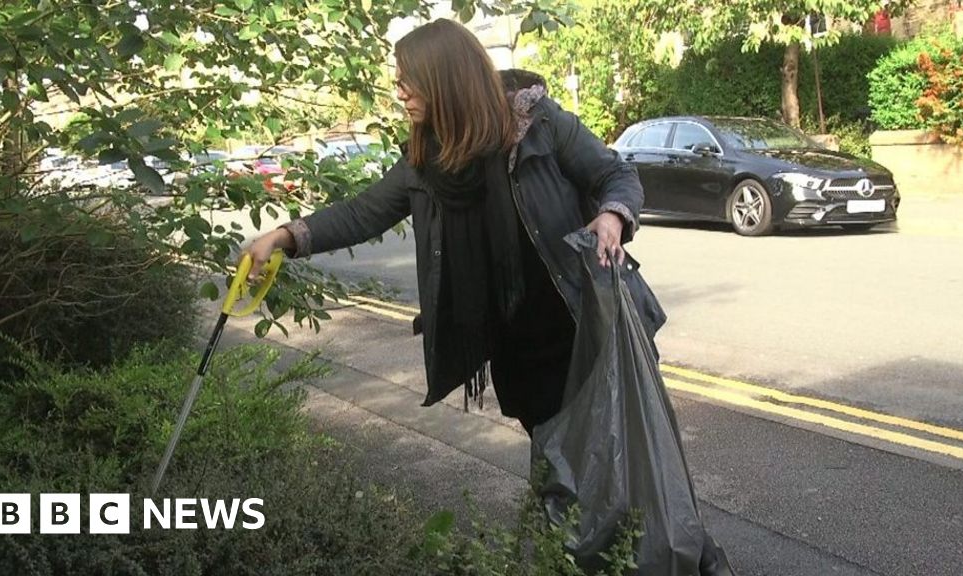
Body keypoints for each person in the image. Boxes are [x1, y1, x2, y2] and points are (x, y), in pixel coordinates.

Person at [244, 18, 664, 434]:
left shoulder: (539, 125)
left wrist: (612, 215)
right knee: (558, 469)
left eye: (410, 81)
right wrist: (284, 237)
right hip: (516, 348)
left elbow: (616, 175)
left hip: (583, 325)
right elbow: (362, 213)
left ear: (445, 79)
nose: (400, 92)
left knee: (616, 469)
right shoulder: (426, 162)